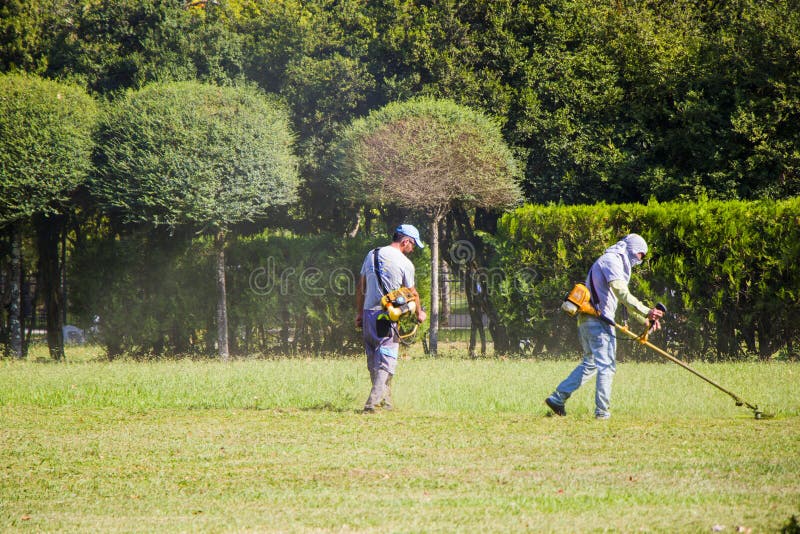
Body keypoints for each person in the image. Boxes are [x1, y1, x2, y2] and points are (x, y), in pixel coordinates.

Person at [545, 234, 663, 420]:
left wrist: (645, 320)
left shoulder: (615, 261)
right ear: (632, 249)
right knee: (607, 366)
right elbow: (621, 293)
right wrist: (648, 310)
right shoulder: (612, 260)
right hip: (597, 322)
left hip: (589, 321)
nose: (639, 260)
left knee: (591, 363)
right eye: (640, 255)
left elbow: (622, 300)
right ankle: (602, 413)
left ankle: (557, 398)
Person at [355, 224, 427, 413]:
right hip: (386, 317)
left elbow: (360, 286)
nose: (412, 250)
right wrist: (419, 313)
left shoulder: (372, 254)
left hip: (368, 313)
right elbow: (413, 294)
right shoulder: (405, 263)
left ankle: (386, 403)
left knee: (373, 360)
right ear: (406, 241)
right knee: (387, 359)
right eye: (413, 245)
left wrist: (359, 313)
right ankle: (371, 403)